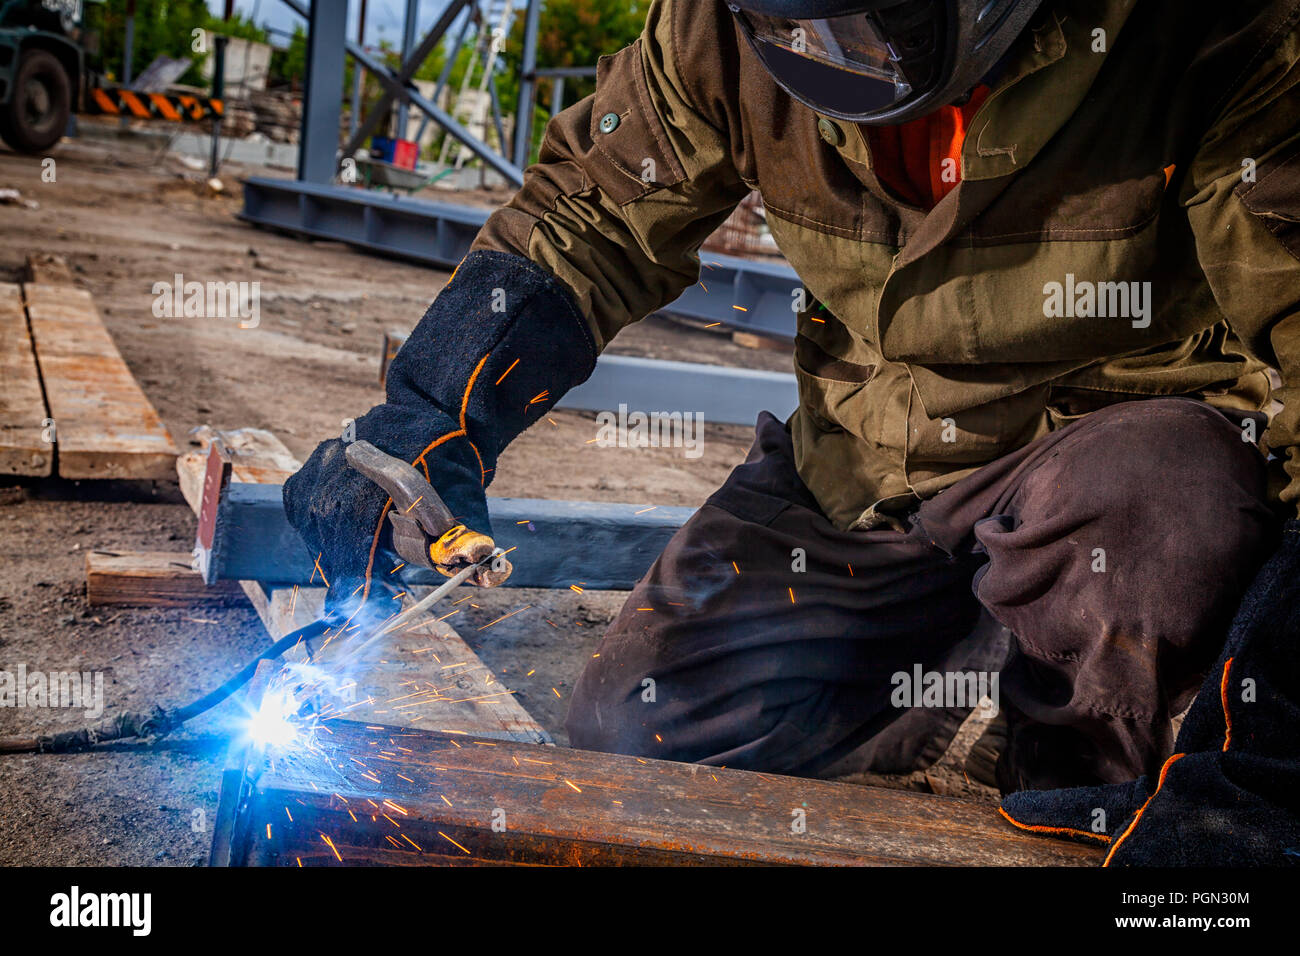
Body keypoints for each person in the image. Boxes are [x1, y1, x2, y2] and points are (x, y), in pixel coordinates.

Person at [284, 0, 1300, 864]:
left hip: (1106, 462)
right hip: (867, 461)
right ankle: (939, 679)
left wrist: (1271, 754)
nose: (818, 49)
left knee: (1162, 503)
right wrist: (425, 412)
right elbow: (588, 217)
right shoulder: (718, 24)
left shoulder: (1213, 30)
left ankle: (1069, 770)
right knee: (630, 723)